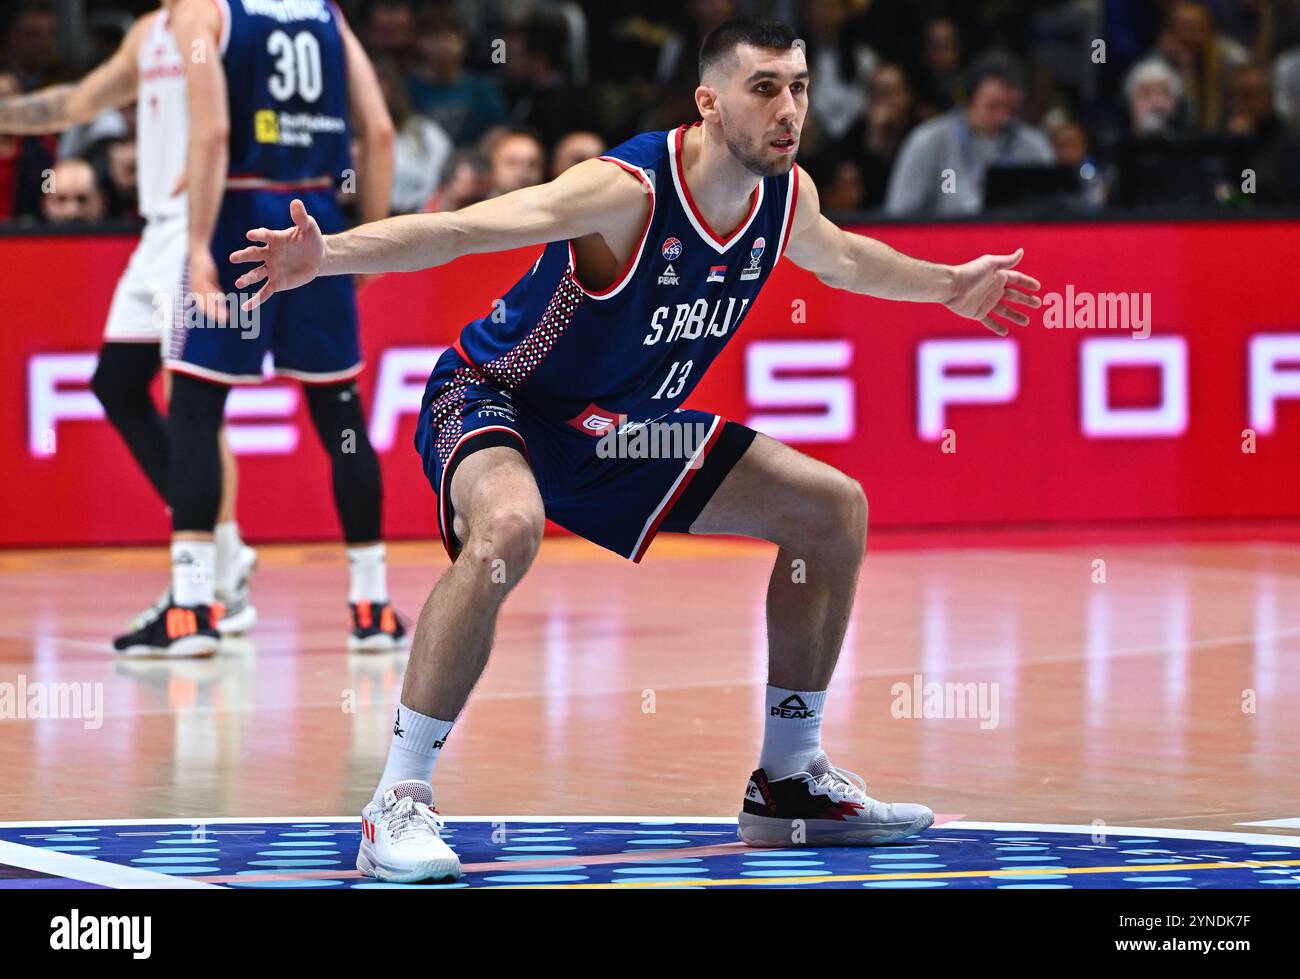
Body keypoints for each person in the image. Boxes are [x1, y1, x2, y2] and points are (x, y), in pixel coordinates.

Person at [231, 15, 1042, 883]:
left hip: (620, 431)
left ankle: (789, 780)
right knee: (509, 527)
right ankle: (397, 797)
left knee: (831, 509)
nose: (788, 110)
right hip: (496, 398)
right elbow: (463, 229)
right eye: (764, 88)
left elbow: (844, 260)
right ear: (708, 101)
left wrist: (951, 286)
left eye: (798, 88)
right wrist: (328, 257)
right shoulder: (624, 190)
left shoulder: (785, 197)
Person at [114, 0, 403, 656]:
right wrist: (373, 240)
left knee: (195, 408)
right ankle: (373, 605)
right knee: (342, 417)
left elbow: (212, 134)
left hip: (238, 218)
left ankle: (191, 609)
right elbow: (380, 130)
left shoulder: (207, 10)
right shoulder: (327, 13)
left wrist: (194, 247)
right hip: (316, 222)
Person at [0, 2, 256, 644]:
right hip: (155, 232)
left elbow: (252, 113)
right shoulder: (150, 32)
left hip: (197, 224)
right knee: (116, 382)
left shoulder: (227, 19)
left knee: (188, 397)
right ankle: (221, 547)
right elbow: (75, 103)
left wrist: (215, 179)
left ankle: (215, 579)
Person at [885, 51, 1054, 217]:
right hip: (946, 240)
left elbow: (1055, 209)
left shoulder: (1034, 144)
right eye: (994, 105)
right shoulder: (928, 141)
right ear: (972, 95)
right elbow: (900, 216)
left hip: (1013, 240)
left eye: (1010, 107)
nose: (1003, 117)